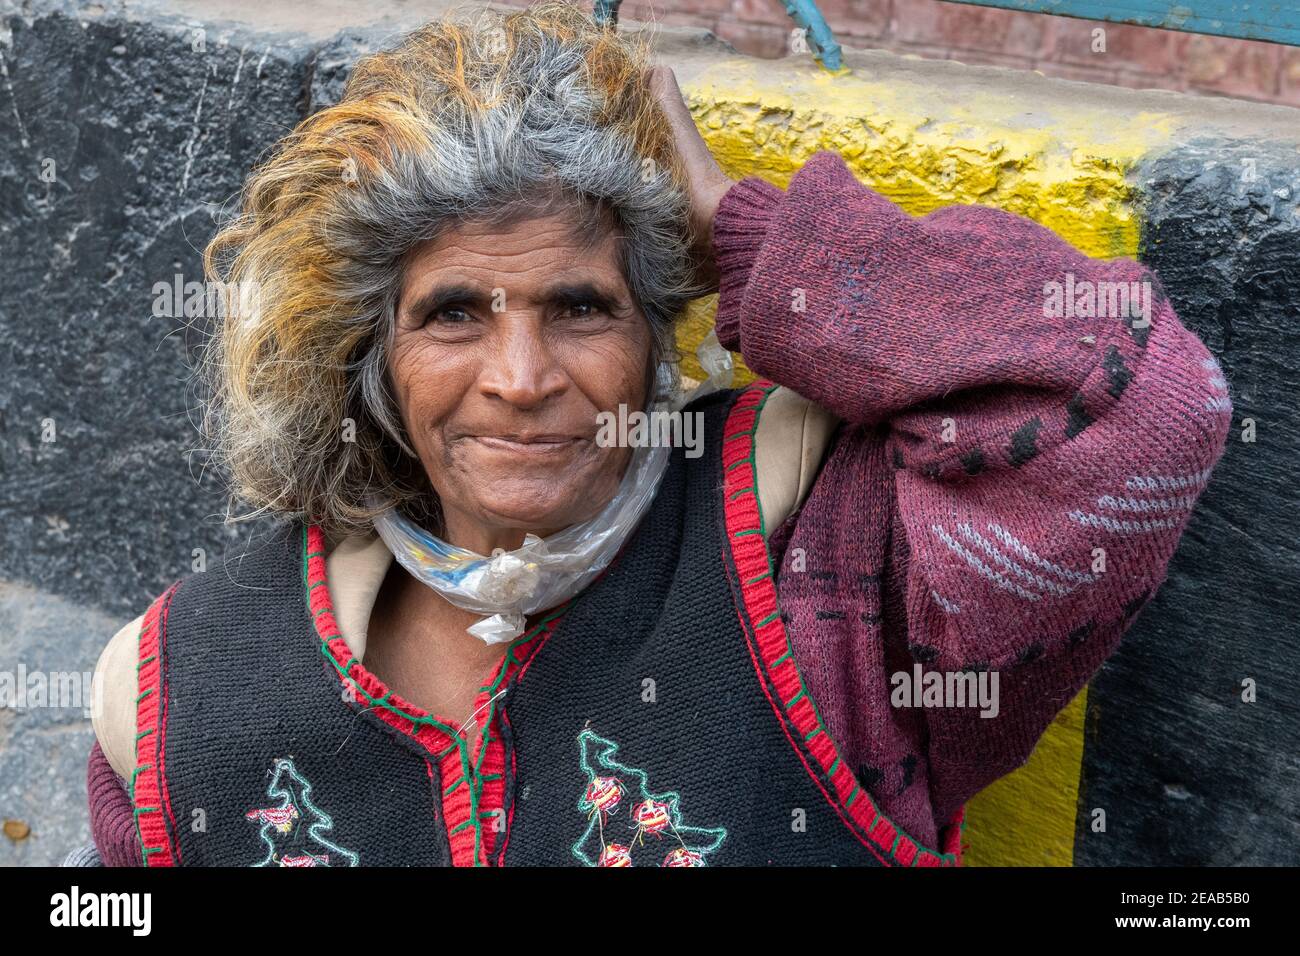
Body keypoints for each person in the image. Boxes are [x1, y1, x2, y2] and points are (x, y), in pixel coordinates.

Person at [85, 1, 1230, 867]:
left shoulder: (819, 566)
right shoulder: (177, 691)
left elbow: (1145, 408)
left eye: (580, 306)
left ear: (656, 335)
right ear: (370, 352)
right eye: (451, 315)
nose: (523, 378)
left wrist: (749, 234)